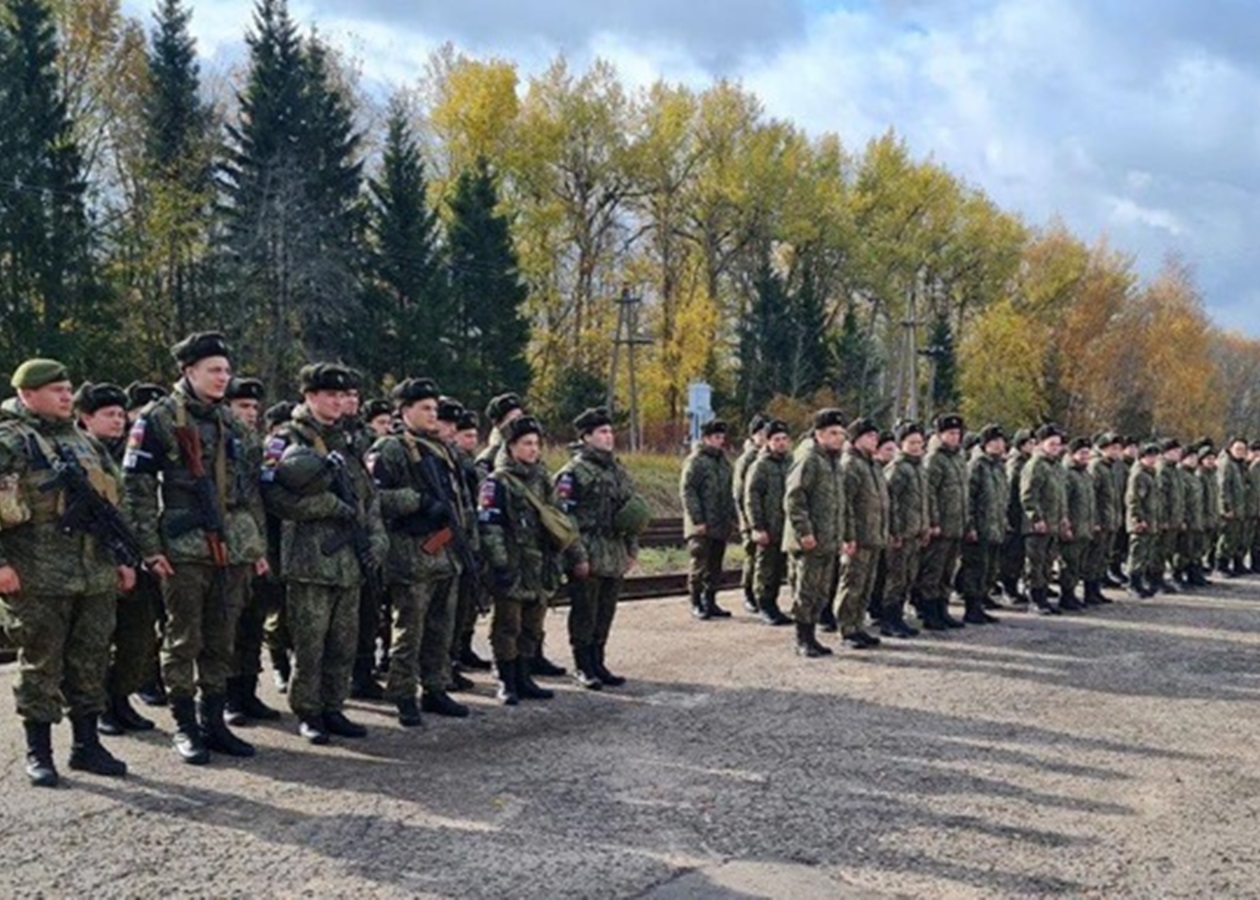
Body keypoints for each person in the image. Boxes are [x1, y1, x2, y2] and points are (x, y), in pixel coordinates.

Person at [123, 332, 266, 765]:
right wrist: (149, 548)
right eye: (214, 370)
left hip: (232, 545)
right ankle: (185, 725)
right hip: (183, 545)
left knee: (222, 637)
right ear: (189, 371)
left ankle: (214, 722)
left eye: (226, 370)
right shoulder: (158, 417)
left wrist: (255, 543)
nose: (223, 377)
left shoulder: (232, 421)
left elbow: (250, 489)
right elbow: (138, 488)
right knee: (184, 636)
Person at [1, 359, 135, 786]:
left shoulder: (84, 441)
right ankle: (39, 752)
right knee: (41, 663)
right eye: (56, 389)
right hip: (37, 574)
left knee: (92, 659)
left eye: (68, 388)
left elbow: (117, 501)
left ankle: (86, 745)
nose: (66, 396)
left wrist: (123, 558)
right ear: (27, 394)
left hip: (93, 571)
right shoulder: (10, 442)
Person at [262, 363, 387, 745]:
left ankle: (333, 707)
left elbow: (368, 495)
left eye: (341, 395)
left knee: (343, 642)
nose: (336, 401)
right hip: (310, 562)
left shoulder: (348, 439)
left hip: (350, 561)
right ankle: (308, 712)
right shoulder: (286, 438)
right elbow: (273, 496)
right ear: (310, 396)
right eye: (328, 395)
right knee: (309, 643)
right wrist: (327, 507)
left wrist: (377, 537)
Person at [368, 378, 471, 727]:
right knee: (408, 630)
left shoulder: (442, 449)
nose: (432, 414)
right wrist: (418, 501)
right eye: (425, 408)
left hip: (444, 552)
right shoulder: (390, 448)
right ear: (404, 410)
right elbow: (374, 499)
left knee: (440, 628)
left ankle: (435, 686)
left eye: (434, 408)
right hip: (410, 554)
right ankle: (402, 693)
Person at [74, 383, 157, 737]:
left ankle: (122, 699)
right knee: (98, 639)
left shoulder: (129, 450)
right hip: (95, 561)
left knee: (137, 636)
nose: (118, 421)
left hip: (134, 554)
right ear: (85, 418)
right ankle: (102, 706)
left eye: (121, 414)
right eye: (109, 414)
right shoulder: (77, 452)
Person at [478, 416, 575, 704]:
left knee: (533, 624)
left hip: (540, 565)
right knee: (508, 625)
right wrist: (500, 564)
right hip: (513, 563)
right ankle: (506, 681)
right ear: (510, 447)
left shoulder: (543, 478)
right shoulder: (496, 482)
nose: (534, 449)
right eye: (527, 444)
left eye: (536, 443)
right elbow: (489, 527)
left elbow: (559, 517)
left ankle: (524, 675)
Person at [555, 407, 643, 688]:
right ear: (586, 437)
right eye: (602, 432)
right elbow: (564, 519)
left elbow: (631, 510)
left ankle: (599, 661)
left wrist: (631, 549)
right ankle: (583, 665)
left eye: (610, 431)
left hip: (614, 549)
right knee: (585, 611)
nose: (609, 437)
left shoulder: (618, 470)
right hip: (588, 548)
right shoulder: (572, 473)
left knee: (605, 611)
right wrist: (577, 556)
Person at [221, 377, 282, 726]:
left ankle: (248, 691)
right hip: (229, 546)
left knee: (253, 622)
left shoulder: (258, 444)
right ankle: (228, 698)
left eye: (254, 408)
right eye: (242, 406)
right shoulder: (220, 441)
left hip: (258, 544)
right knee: (228, 625)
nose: (250, 413)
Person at [784, 408, 848, 658]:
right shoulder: (809, 459)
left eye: (841, 433)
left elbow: (840, 503)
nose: (839, 438)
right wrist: (804, 532)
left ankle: (812, 637)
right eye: (833, 433)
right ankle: (802, 638)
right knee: (806, 590)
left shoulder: (833, 461)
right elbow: (794, 499)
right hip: (809, 540)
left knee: (821, 591)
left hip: (828, 538)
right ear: (819, 434)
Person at [837, 418, 887, 649]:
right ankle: (847, 629)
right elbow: (844, 504)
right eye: (869, 436)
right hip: (858, 536)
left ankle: (858, 625)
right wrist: (848, 536)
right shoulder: (850, 465)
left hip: (874, 535)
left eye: (876, 436)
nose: (874, 440)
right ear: (856, 439)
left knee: (866, 585)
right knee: (852, 584)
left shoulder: (873, 465)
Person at [680, 419, 736, 620]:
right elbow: (688, 491)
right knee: (699, 562)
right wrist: (697, 519)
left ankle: (710, 601)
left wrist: (732, 517)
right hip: (702, 523)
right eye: (716, 437)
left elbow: (731, 491)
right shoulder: (696, 461)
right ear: (706, 438)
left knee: (715, 564)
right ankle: (696, 601)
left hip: (720, 521)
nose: (720, 441)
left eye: (722, 437)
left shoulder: (724, 462)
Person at [918, 413, 969, 630]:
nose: (955, 437)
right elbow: (929, 494)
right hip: (941, 527)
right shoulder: (934, 459)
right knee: (933, 571)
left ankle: (942, 608)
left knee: (948, 571)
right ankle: (929, 612)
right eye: (950, 433)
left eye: (958, 433)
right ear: (940, 435)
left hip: (956, 525)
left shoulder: (958, 457)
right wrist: (934, 522)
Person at [743, 419, 793, 626]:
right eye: (776, 439)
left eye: (784, 439)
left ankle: (773, 604)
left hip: (786, 527)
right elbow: (751, 497)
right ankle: (764, 604)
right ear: (768, 442)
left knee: (779, 568)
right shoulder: (760, 466)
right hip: (768, 527)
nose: (781, 443)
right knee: (765, 568)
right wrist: (757, 526)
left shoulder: (791, 464)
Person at [881, 421, 928, 638]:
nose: (917, 446)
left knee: (908, 577)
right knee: (896, 578)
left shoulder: (919, 468)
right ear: (901, 444)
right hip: (900, 535)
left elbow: (923, 502)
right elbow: (891, 503)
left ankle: (898, 616)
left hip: (914, 533)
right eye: (912, 442)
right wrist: (894, 532)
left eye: (919, 442)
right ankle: (889, 619)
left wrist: (924, 526)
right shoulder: (898, 469)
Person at [960, 424, 1007, 625]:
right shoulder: (977, 465)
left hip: (994, 525)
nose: (999, 445)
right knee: (975, 567)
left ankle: (981, 603)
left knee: (989, 568)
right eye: (994, 441)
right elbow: (968, 499)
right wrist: (969, 526)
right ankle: (971, 607)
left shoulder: (997, 466)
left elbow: (1001, 498)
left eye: (1001, 441)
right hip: (979, 527)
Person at [1020, 424, 1068, 615]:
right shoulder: (1035, 465)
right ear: (1041, 444)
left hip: (1053, 523)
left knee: (1048, 562)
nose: (1056, 447)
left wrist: (1063, 518)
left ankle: (1044, 597)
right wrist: (1036, 518)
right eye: (1052, 444)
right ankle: (1035, 599)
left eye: (1058, 444)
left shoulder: (1055, 466)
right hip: (1037, 525)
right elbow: (1028, 495)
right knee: (1035, 562)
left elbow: (1060, 496)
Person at [733, 414, 769, 614]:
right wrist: (748, 522)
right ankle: (748, 593)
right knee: (752, 558)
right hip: (750, 520)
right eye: (761, 433)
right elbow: (740, 493)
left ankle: (760, 593)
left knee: (764, 562)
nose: (765, 436)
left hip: (767, 517)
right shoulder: (747, 459)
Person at [1084, 433, 1123, 605]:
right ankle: (1089, 591)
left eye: (1118, 448)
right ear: (1103, 449)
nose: (1116, 451)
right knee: (1093, 557)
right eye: (1113, 448)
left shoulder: (1111, 467)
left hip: (1110, 519)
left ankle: (1096, 588)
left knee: (1103, 556)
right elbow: (1091, 497)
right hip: (1099, 521)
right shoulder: (1096, 467)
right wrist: (1096, 520)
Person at [1060, 437, 1097, 610]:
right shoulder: (1068, 474)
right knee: (1069, 562)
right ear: (1072, 454)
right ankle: (1066, 595)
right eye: (1081, 453)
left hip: (1085, 526)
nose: (1085, 456)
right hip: (1073, 526)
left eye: (1087, 453)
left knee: (1079, 563)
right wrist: (1065, 523)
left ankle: (1073, 593)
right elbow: (1063, 501)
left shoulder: (1085, 474)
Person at [1000, 428, 1034, 603]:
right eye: (1029, 443)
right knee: (1011, 555)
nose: (1033, 446)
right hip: (1014, 514)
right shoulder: (1016, 463)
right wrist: (1010, 516)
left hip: (1022, 516)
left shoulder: (1028, 462)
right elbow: (1012, 492)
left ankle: (1013, 587)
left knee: (1019, 554)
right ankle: (1008, 589)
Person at [1126, 444, 1163, 599]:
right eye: (1149, 456)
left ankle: (1141, 582)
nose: (1153, 459)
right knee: (1137, 553)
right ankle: (1133, 584)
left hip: (1151, 520)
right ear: (1141, 458)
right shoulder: (1139, 475)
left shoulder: (1151, 474)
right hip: (1141, 522)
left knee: (1145, 553)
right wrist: (1137, 519)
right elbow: (1133, 500)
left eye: (1155, 456)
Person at [1217, 437, 1249, 577]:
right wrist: (1226, 508)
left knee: (1237, 537)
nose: (1240, 452)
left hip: (1240, 507)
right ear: (1230, 449)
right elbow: (1223, 487)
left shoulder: (1241, 465)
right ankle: (1221, 565)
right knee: (1227, 538)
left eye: (1243, 449)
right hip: (1231, 508)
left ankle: (1237, 564)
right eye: (1238, 449)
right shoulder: (1227, 464)